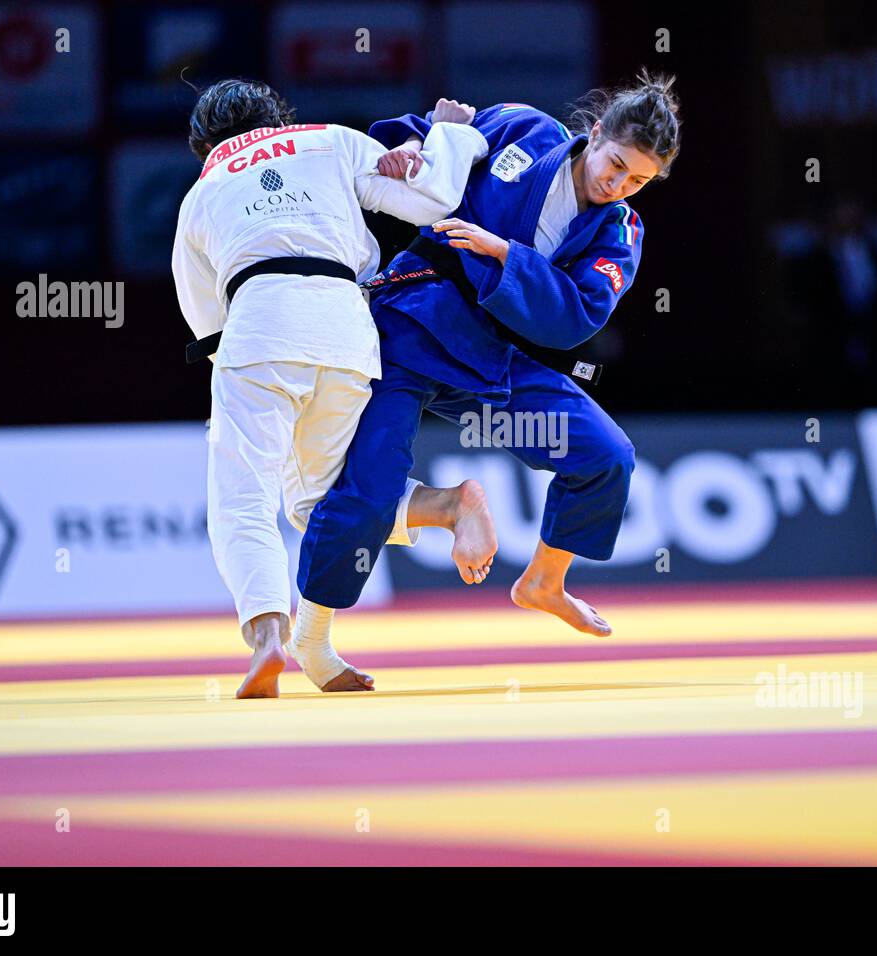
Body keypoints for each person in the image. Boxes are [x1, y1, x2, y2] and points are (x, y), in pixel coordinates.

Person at [288, 72, 682, 688]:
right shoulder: (522, 127)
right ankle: (312, 641)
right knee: (365, 492)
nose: (618, 185)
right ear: (596, 133)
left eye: (638, 181)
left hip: (490, 359)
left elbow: (575, 317)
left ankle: (544, 581)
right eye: (616, 165)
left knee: (606, 456)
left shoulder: (618, 230)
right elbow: (427, 143)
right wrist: (411, 145)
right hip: (411, 327)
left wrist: (505, 254)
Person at [171, 78, 488, 698]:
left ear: (204, 142)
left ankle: (268, 637)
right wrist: (448, 134)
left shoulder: (202, 193)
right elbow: (436, 199)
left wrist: (241, 365)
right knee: (323, 502)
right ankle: (447, 506)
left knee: (245, 499)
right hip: (346, 330)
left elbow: (204, 319)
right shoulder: (331, 142)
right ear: (279, 115)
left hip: (260, 325)